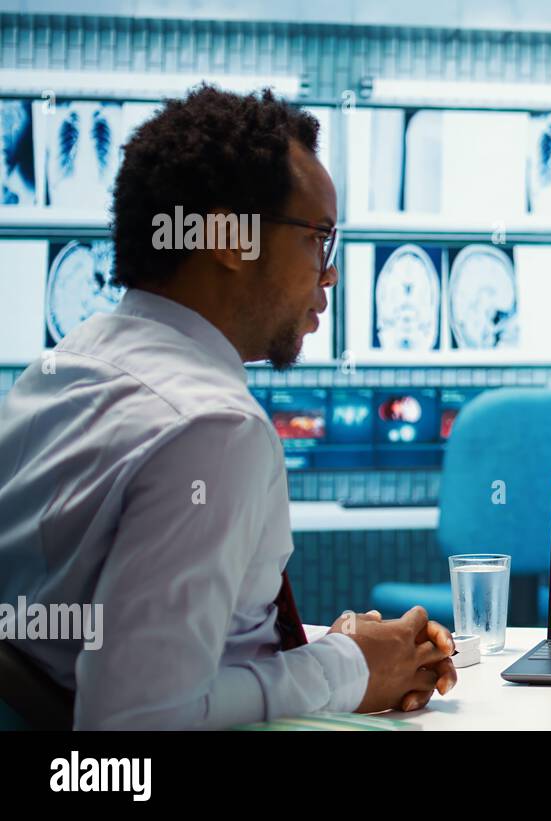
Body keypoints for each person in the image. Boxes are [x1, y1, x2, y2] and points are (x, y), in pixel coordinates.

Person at [0, 86, 456, 729]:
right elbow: (135, 723)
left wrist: (347, 645)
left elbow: (160, 640)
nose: (329, 274)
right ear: (226, 238)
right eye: (319, 238)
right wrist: (347, 670)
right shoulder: (209, 430)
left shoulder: (67, 370)